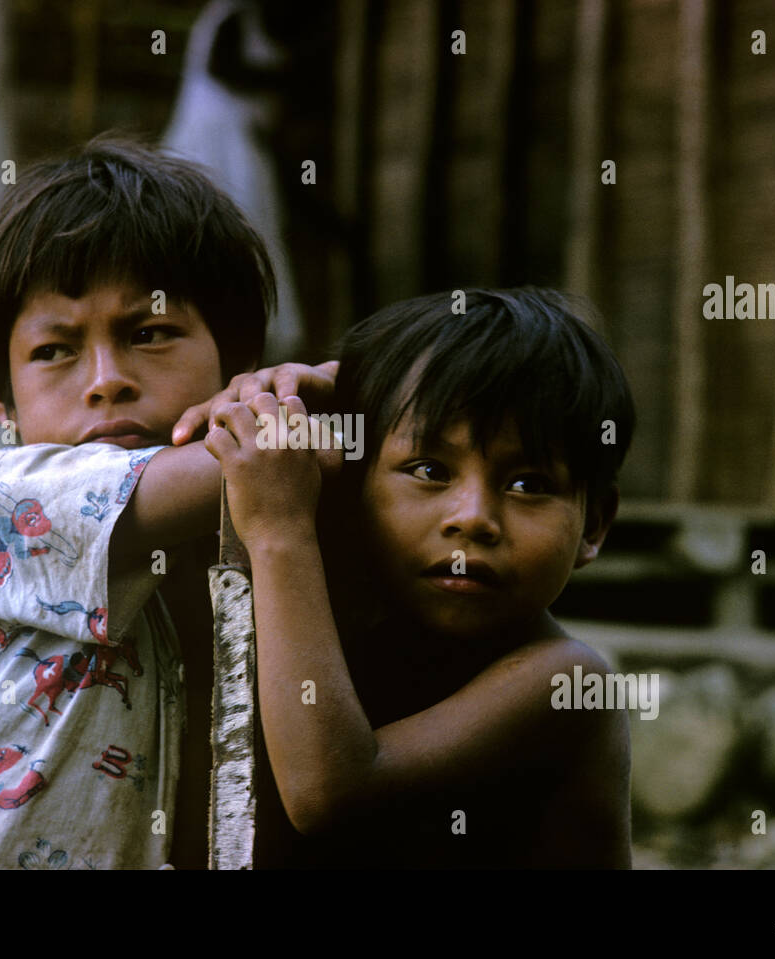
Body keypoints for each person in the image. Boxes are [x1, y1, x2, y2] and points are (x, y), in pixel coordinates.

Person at [0, 134, 336, 869]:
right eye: (56, 350)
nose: (105, 379)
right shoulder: (1, 497)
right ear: (4, 405)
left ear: (235, 363)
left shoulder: (260, 540)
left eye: (149, 333)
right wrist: (333, 399)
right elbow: (269, 454)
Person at [205, 286, 636, 867]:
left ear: (594, 524)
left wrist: (279, 526)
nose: (473, 518)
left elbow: (328, 791)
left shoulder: (565, 682)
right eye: (429, 469)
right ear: (351, 481)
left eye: (528, 484)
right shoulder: (345, 608)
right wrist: (283, 404)